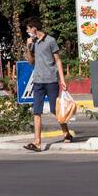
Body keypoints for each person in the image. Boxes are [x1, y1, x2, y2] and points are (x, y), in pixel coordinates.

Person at [24, 15, 73, 151]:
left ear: (34, 28)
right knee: (36, 112)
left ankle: (66, 133)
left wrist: (62, 80)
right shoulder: (33, 43)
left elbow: (58, 60)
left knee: (54, 109)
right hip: (38, 81)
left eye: (28, 29)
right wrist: (28, 47)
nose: (28, 32)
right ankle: (37, 142)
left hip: (51, 80)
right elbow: (31, 62)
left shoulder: (51, 41)